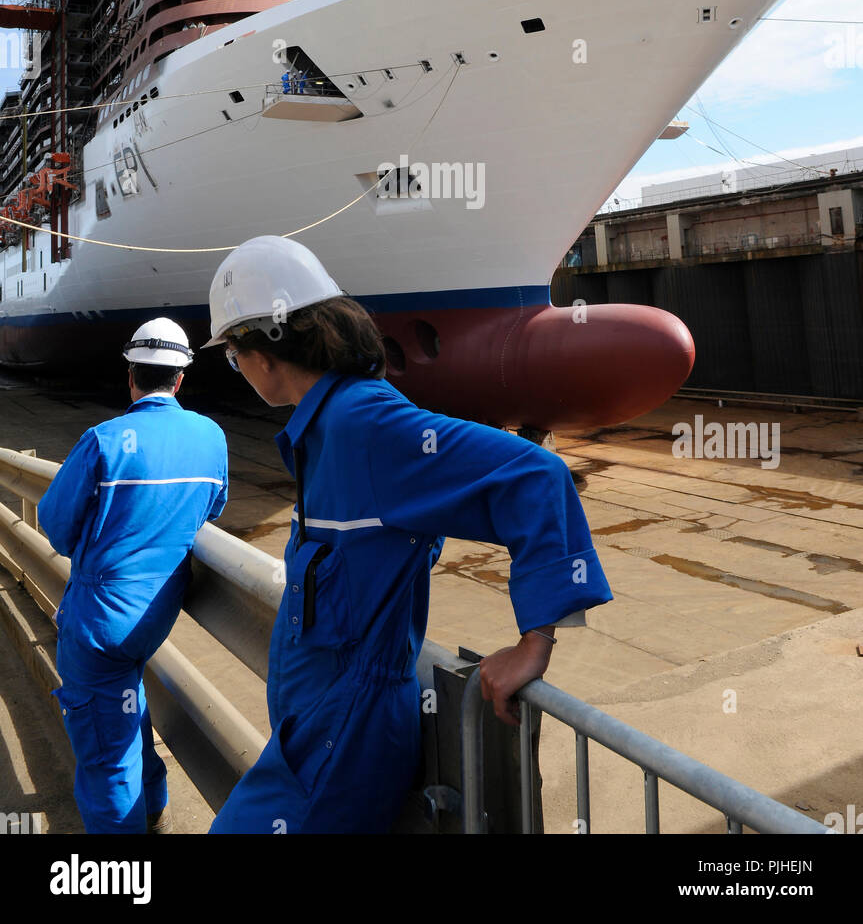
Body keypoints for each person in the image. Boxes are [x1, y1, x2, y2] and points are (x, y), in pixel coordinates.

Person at [204, 236, 612, 835]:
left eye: (233, 356)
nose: (237, 370)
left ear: (263, 350)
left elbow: (537, 473)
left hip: (346, 739)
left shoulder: (364, 423)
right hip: (312, 730)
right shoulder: (324, 431)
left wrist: (535, 643)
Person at [38, 318, 229, 835]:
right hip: (156, 616)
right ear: (180, 380)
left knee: (103, 754)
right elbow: (212, 508)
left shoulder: (103, 441)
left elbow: (54, 527)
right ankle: (154, 808)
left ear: (131, 376)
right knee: (124, 705)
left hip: (100, 622)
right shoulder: (211, 437)